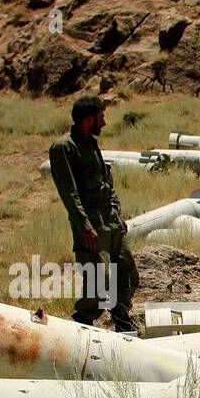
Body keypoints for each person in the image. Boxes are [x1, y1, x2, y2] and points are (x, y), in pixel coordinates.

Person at [48, 95, 137, 331]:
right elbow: (69, 193)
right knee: (99, 282)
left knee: (126, 270)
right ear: (88, 119)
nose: (104, 123)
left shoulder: (91, 142)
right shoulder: (64, 148)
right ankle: (82, 324)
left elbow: (106, 183)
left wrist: (117, 213)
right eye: (101, 117)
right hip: (92, 224)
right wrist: (85, 226)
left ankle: (121, 320)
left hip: (110, 220)